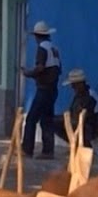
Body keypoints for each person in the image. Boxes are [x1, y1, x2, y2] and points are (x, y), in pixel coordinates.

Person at [19, 20, 62, 159]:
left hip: (43, 89)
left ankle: (27, 149)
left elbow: (40, 68)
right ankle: (48, 151)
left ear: (37, 36)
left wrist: (29, 73)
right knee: (47, 120)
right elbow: (58, 69)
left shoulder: (42, 49)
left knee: (31, 119)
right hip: (53, 89)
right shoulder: (54, 49)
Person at [54, 68, 98, 149]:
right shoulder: (78, 95)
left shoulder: (90, 96)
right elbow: (71, 112)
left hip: (88, 127)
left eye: (74, 85)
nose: (72, 87)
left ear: (80, 84)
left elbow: (85, 117)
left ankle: (84, 145)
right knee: (52, 121)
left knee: (66, 123)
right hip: (76, 122)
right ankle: (74, 143)